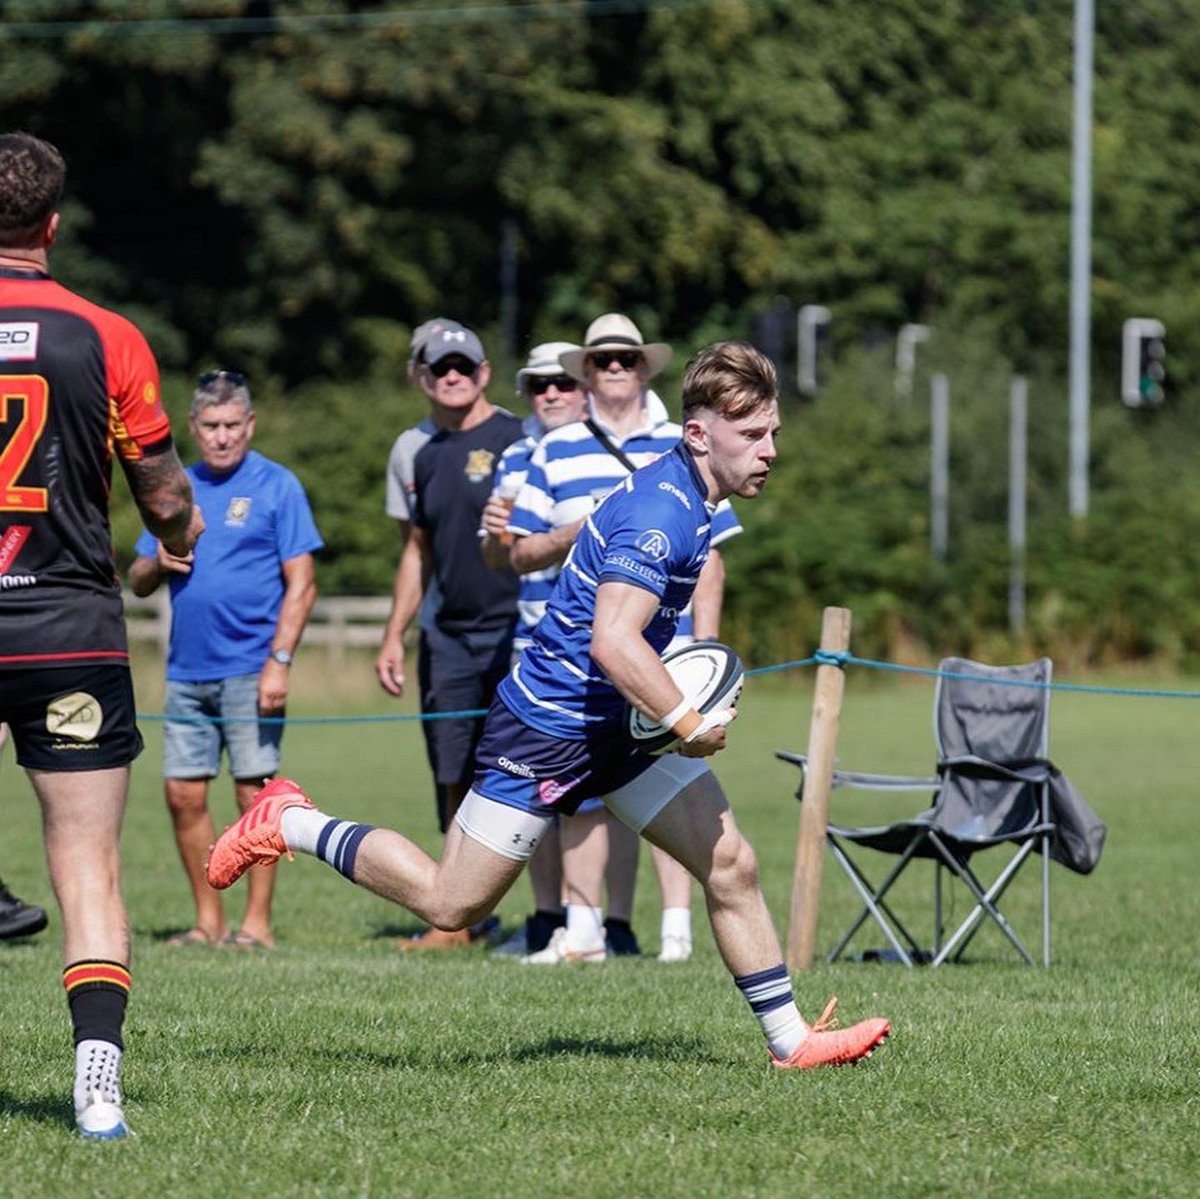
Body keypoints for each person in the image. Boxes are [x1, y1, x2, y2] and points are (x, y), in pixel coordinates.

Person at [208, 341, 890, 1071]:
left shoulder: (695, 500)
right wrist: (689, 723)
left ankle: (792, 1042)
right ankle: (291, 819)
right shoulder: (661, 516)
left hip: (620, 727)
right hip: (547, 729)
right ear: (698, 433)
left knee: (732, 863)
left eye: (774, 432)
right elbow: (614, 642)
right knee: (450, 904)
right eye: (753, 434)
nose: (770, 450)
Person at [0, 132, 204, 1138]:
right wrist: (178, 533)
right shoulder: (109, 335)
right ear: (53, 223)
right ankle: (97, 1092)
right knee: (88, 864)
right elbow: (162, 488)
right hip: (68, 627)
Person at [506, 313, 742, 964]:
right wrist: (578, 533)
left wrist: (709, 653)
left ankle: (673, 931)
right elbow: (516, 551)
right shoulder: (552, 448)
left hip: (666, 650)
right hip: (571, 657)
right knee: (581, 799)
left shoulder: (686, 440)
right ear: (586, 371)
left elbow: (714, 557)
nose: (616, 368)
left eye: (627, 359)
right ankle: (584, 928)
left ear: (644, 368)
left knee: (673, 787)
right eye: (604, 359)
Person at [128, 370, 323, 950]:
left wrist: (280, 661)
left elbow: (303, 584)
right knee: (183, 796)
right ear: (192, 427)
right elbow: (137, 580)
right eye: (210, 426)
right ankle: (207, 921)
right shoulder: (174, 488)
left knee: (254, 799)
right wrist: (158, 562)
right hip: (186, 671)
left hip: (251, 669)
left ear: (250, 424)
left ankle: (255, 925)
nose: (220, 437)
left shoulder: (278, 485)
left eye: (231, 426)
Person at [375, 321, 523, 949]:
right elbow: (416, 552)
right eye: (440, 368)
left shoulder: (521, 437)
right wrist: (394, 635)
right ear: (420, 377)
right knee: (453, 768)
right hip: (447, 636)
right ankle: (458, 918)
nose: (453, 375)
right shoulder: (413, 450)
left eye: (464, 365)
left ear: (485, 372)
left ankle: (557, 917)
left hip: (521, 631)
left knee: (523, 767)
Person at [479, 341, 588, 956]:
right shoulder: (517, 456)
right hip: (532, 640)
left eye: (563, 383)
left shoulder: (612, 447)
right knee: (541, 788)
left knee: (602, 796)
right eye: (539, 383)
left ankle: (603, 922)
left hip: (602, 643)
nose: (551, 392)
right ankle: (550, 917)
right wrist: (499, 535)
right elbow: (499, 559)